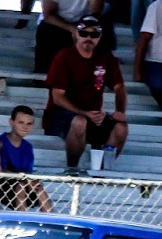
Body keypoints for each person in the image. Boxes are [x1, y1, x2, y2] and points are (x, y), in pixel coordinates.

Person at [44, 16, 128, 173]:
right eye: (84, 33)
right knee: (80, 121)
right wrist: (84, 113)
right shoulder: (64, 56)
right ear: (76, 33)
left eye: (94, 34)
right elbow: (57, 97)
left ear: (100, 37)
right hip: (60, 115)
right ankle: (73, 169)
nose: (89, 38)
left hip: (93, 115)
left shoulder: (106, 57)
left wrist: (120, 112)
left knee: (121, 128)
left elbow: (119, 87)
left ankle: (101, 172)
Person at [0, 104, 53, 212]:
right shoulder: (0, 142)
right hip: (2, 185)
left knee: (38, 187)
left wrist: (32, 182)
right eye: (21, 122)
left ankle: (52, 219)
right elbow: (1, 171)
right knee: (22, 185)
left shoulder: (28, 147)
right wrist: (24, 180)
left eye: (29, 123)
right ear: (11, 122)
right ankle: (22, 220)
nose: (25, 126)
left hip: (23, 183)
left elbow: (28, 172)